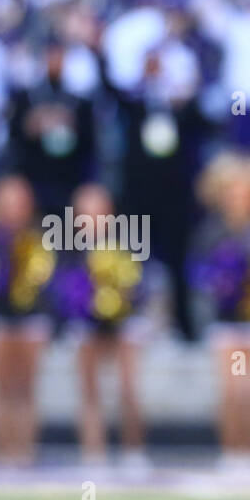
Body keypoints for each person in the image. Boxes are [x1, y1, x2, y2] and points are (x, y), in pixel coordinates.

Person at [189, 153, 250, 471]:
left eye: (245, 193)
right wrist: (219, 283)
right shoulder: (211, 230)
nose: (238, 199)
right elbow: (197, 272)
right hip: (227, 323)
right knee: (233, 391)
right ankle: (232, 454)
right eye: (232, 193)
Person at [52, 183, 148, 469]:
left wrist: (122, 302)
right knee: (89, 389)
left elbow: (141, 281)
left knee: (128, 388)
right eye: (86, 210)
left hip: (124, 323)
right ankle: (94, 455)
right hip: (86, 326)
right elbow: (61, 286)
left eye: (97, 209)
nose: (92, 216)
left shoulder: (127, 239)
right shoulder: (68, 244)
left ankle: (134, 453)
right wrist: (81, 305)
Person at [0, 174, 55, 466]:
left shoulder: (39, 237)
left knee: (25, 387)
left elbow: (49, 283)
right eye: (9, 200)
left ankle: (25, 451)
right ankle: (2, 452)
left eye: (20, 200)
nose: (14, 206)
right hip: (0, 319)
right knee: (2, 387)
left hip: (31, 321)